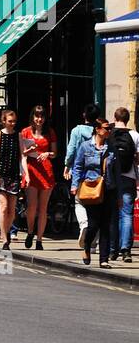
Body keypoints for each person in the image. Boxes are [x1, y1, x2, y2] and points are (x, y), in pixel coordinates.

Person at [72, 117, 116, 268]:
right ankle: (86, 245)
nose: (109, 131)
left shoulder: (111, 147)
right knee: (93, 224)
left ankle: (103, 259)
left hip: (108, 189)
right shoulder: (85, 147)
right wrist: (74, 185)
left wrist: (120, 192)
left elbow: (117, 171)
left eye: (110, 128)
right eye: (106, 128)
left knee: (106, 225)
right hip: (91, 189)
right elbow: (77, 166)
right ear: (97, 129)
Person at [21, 105, 58, 250]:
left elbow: (55, 153)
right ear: (32, 117)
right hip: (31, 169)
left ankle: (40, 240)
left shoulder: (50, 132)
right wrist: (29, 150)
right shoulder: (25, 132)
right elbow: (21, 152)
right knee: (32, 206)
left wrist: (47, 154)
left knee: (43, 208)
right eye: (37, 116)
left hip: (46, 171)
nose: (39, 119)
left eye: (42, 116)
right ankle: (30, 232)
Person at [65, 103, 100, 250]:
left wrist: (67, 166)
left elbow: (71, 150)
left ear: (84, 115)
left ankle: (83, 224)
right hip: (97, 174)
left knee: (79, 202)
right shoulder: (99, 131)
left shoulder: (77, 131)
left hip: (79, 172)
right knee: (97, 205)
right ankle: (94, 243)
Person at [0, 109, 27, 252]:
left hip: (13, 176)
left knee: (12, 210)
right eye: (9, 121)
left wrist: (26, 174)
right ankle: (5, 238)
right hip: (1, 175)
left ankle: (5, 230)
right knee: (4, 207)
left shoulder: (18, 135)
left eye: (14, 121)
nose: (12, 124)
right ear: (4, 121)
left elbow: (22, 156)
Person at [107, 107, 139, 264]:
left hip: (112, 178)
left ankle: (113, 250)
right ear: (128, 119)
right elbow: (137, 158)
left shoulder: (109, 133)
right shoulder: (134, 135)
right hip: (128, 177)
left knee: (113, 215)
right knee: (126, 214)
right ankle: (126, 250)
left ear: (115, 117)